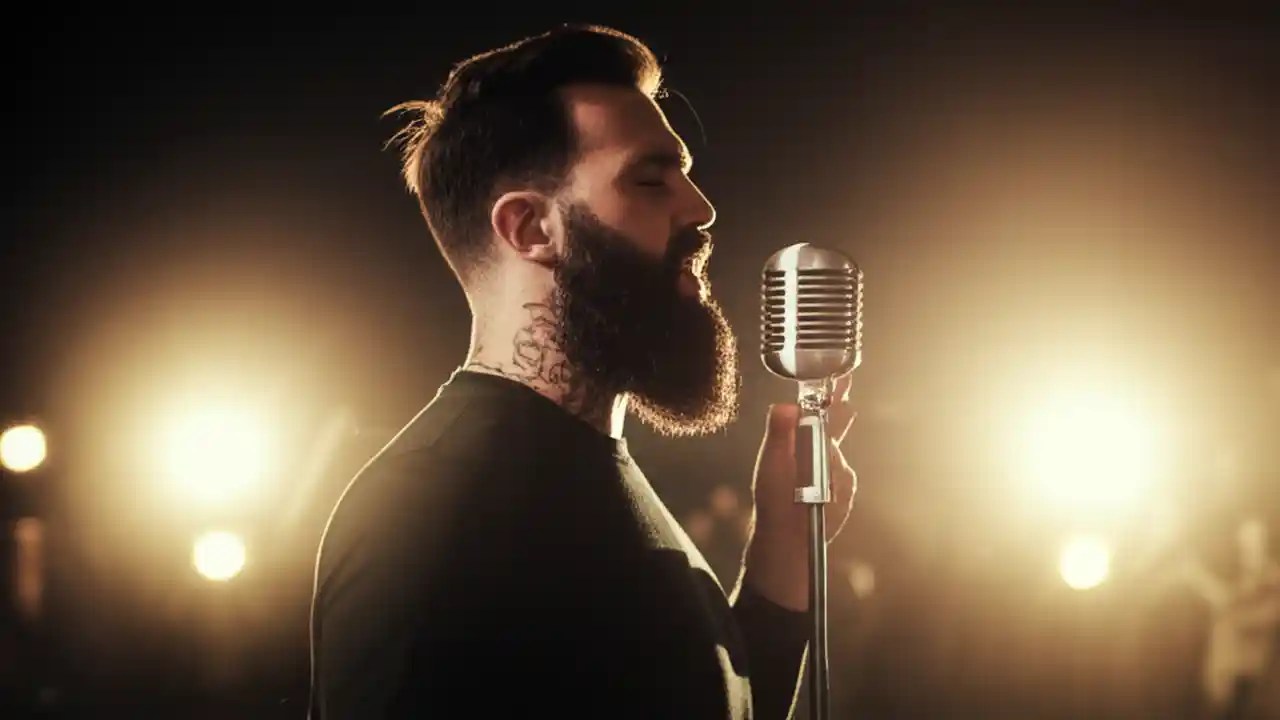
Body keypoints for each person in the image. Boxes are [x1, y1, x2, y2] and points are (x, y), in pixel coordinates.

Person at [307, 24, 857, 719]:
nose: (701, 208)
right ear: (531, 228)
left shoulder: (592, 473)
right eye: (651, 179)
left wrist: (782, 541)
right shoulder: (428, 518)